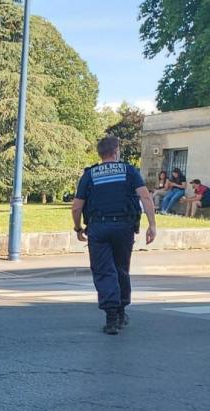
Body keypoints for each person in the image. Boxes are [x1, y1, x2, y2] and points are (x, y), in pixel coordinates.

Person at [72, 136, 158, 335]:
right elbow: (145, 196)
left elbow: (76, 207)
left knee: (104, 271)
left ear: (100, 153)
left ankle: (111, 317)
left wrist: (78, 228)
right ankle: (121, 311)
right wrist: (152, 225)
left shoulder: (90, 174)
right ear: (116, 151)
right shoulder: (129, 171)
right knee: (121, 269)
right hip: (124, 226)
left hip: (98, 227)